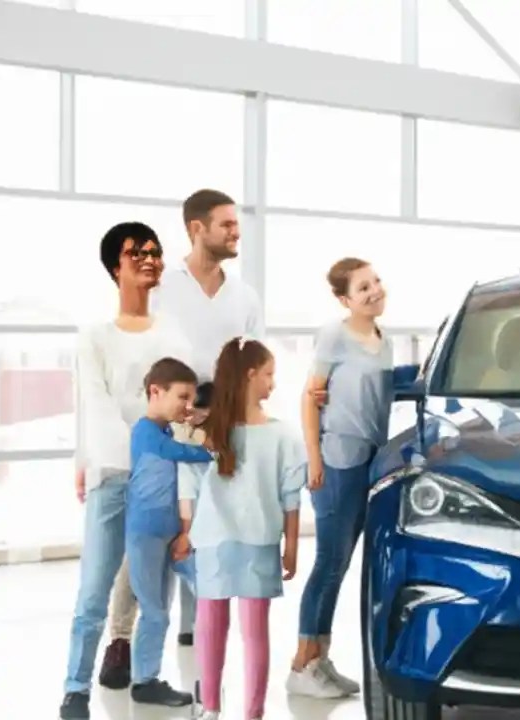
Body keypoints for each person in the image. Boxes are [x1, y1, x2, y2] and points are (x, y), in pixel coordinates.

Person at [60, 222, 192, 720]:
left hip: (159, 484)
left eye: (156, 251)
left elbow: (180, 408)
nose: (149, 259)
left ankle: (147, 679)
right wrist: (86, 460)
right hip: (115, 479)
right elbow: (93, 408)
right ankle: (75, 690)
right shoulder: (94, 337)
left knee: (153, 593)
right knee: (94, 591)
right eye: (136, 252)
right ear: (115, 266)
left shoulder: (172, 333)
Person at [287, 257, 419, 698]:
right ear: (345, 299)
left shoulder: (384, 339)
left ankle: (320, 658)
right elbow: (310, 399)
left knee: (342, 565)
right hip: (336, 460)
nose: (375, 290)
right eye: (363, 288)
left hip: (369, 460)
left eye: (376, 281)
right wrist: (314, 459)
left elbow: (380, 388)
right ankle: (302, 663)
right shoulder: (334, 335)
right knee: (328, 562)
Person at [151, 187, 264, 648]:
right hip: (166, 425)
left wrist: (221, 410)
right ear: (197, 229)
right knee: (163, 528)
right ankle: (137, 638)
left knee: (212, 524)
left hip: (222, 423)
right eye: (227, 224)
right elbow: (148, 355)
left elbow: (252, 362)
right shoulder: (163, 287)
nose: (236, 232)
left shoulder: (245, 296)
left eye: (238, 224)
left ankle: (195, 627)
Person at [183, 337, 305, 720]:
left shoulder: (276, 434)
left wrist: (292, 547)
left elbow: (292, 495)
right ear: (251, 375)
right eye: (269, 374)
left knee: (233, 629)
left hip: (237, 542)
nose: (273, 382)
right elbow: (189, 483)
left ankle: (233, 711)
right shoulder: (209, 432)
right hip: (234, 540)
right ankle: (225, 709)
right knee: (230, 630)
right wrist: (185, 529)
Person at [123, 357, 214, 707]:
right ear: (155, 392)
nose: (187, 406)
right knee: (155, 609)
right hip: (145, 534)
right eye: (182, 397)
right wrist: (210, 451)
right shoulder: (146, 430)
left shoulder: (167, 429)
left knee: (207, 589)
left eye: (192, 399)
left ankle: (209, 671)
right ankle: (144, 681)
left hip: (173, 533)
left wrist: (202, 421)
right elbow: (172, 452)